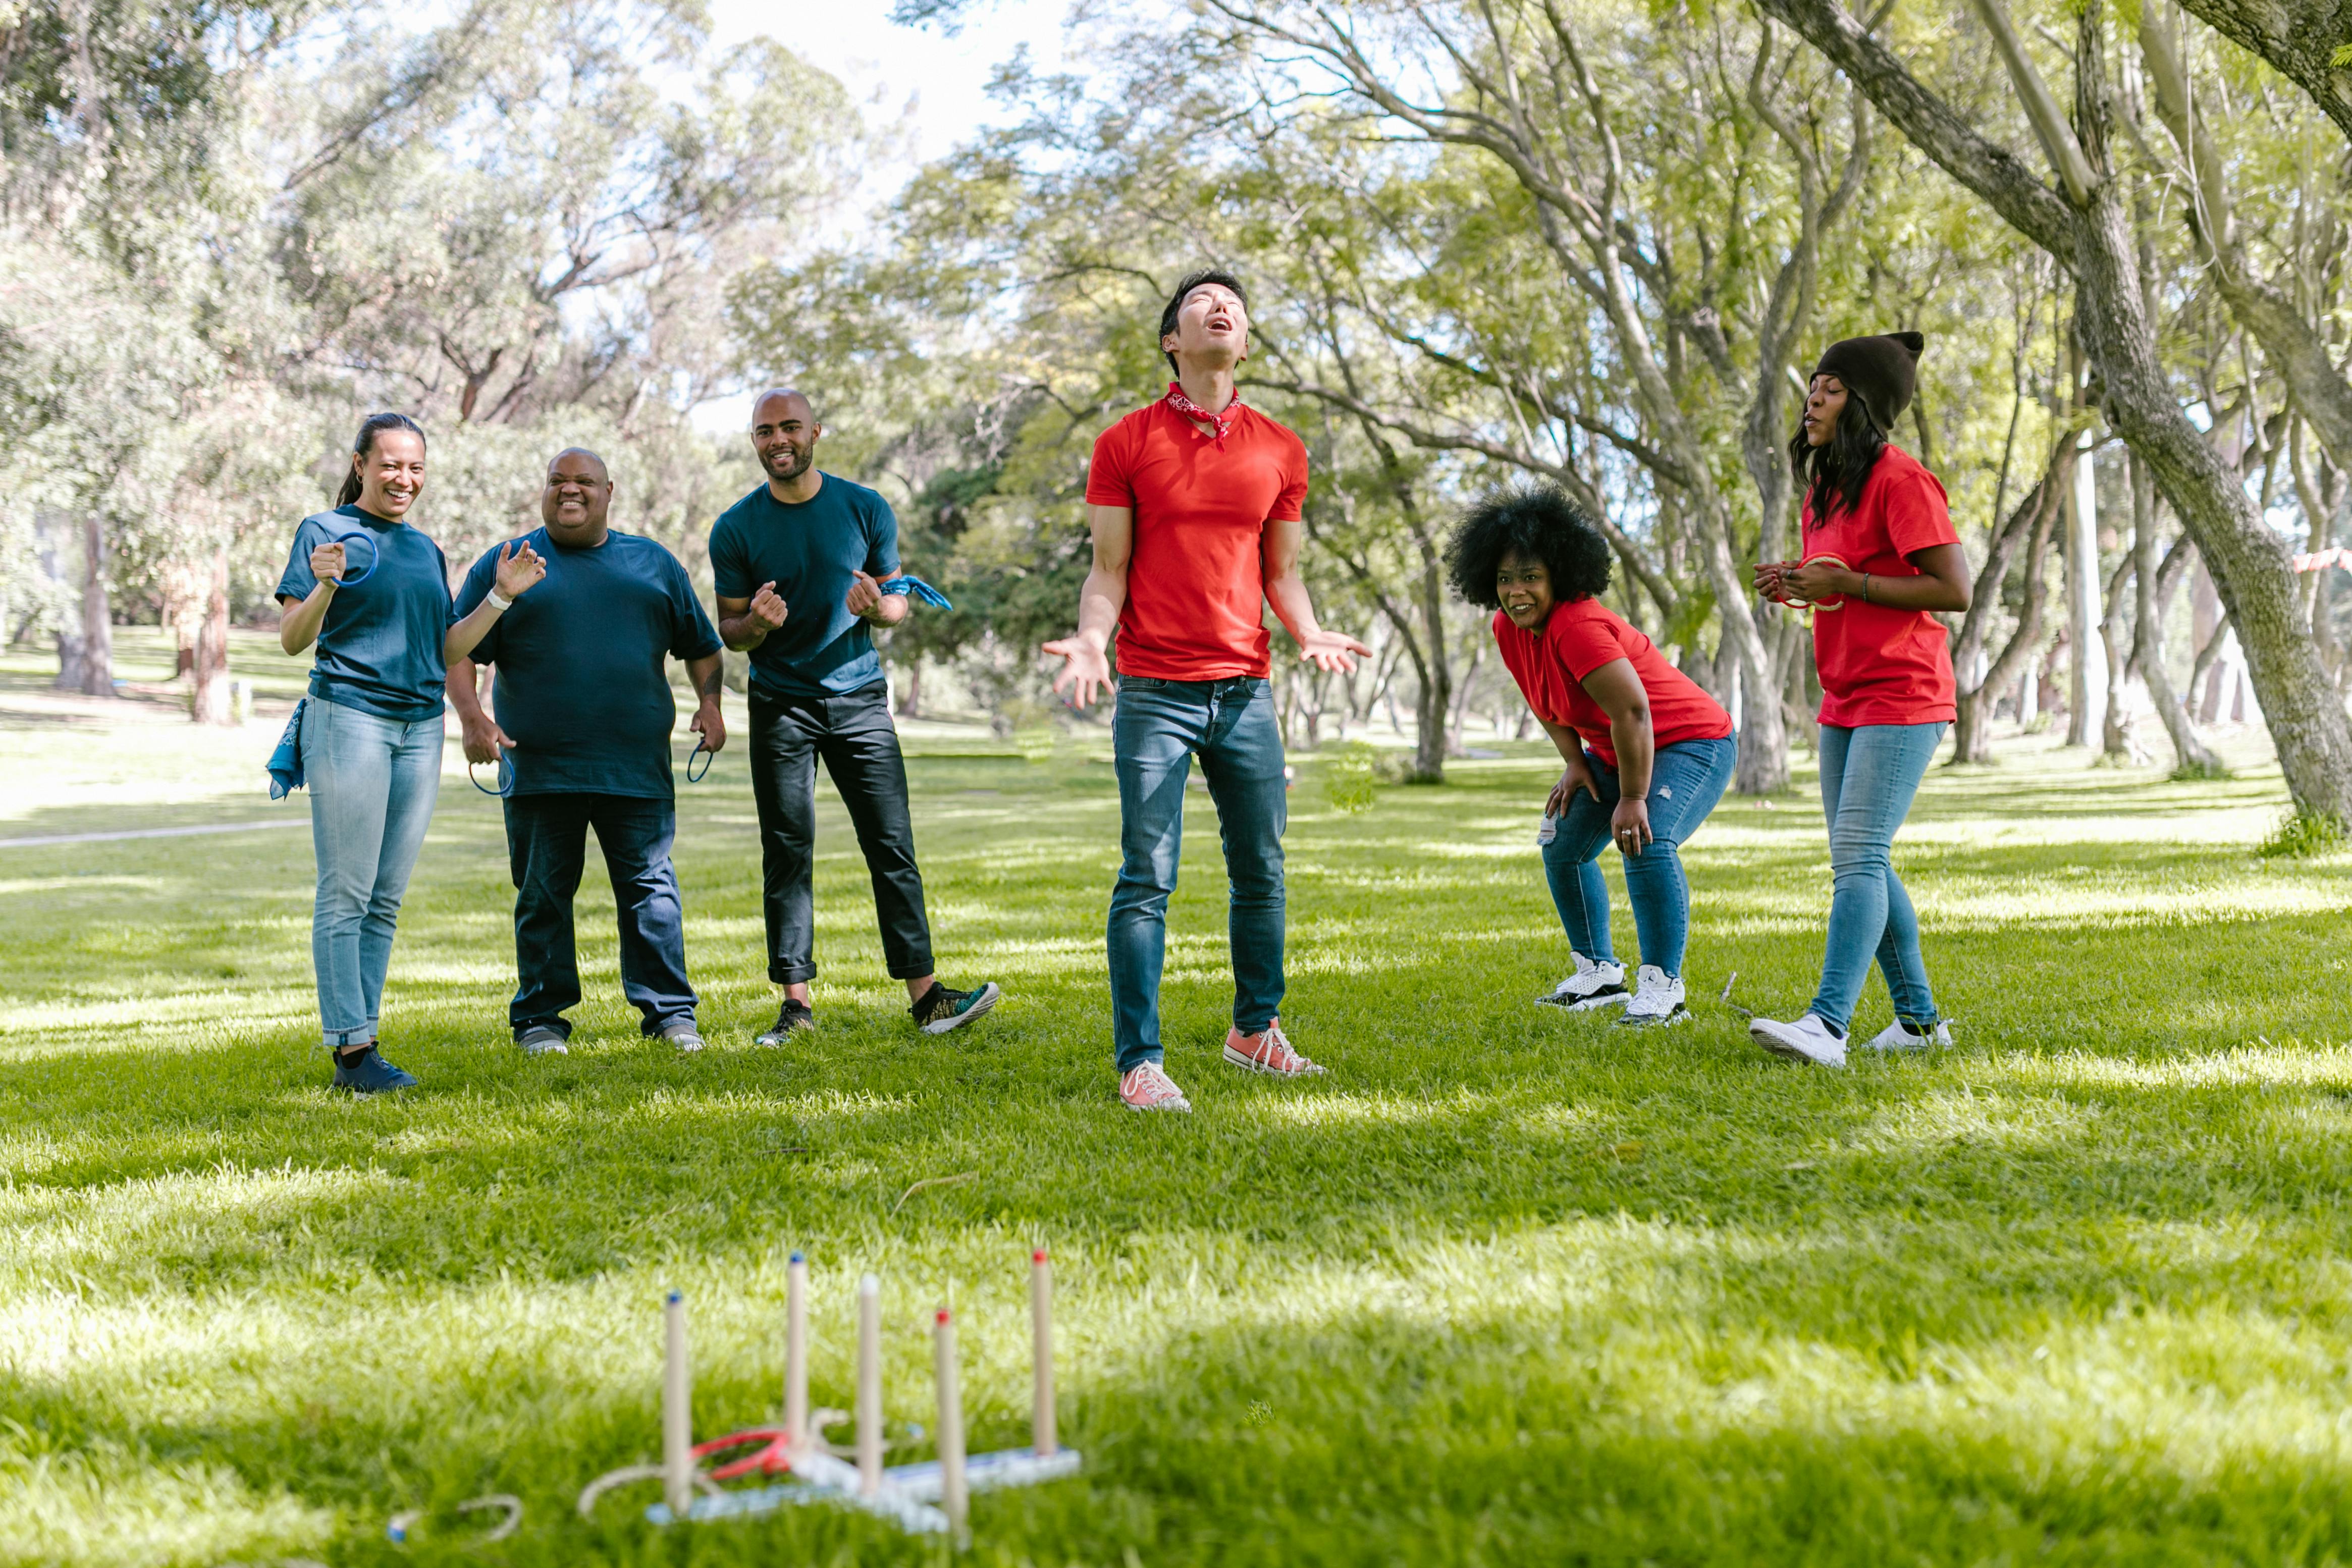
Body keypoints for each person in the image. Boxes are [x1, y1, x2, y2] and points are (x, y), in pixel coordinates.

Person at [1043, 268, 1370, 1113]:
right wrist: (1090, 639)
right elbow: (1107, 569)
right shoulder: (1125, 441)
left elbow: (1283, 573)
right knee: (1147, 873)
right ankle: (1140, 1061)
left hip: (1247, 693)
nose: (1219, 308)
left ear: (1246, 341)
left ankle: (1253, 1029)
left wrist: (1309, 630)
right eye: (1200, 304)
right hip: (1155, 688)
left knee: (1261, 865)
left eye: (1233, 305)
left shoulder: (1280, 448)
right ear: (1172, 341)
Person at [710, 389, 1001, 1042]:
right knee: (787, 850)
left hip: (859, 698)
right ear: (754, 440)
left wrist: (876, 608)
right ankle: (797, 1007)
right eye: (765, 431)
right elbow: (730, 631)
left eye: (790, 427)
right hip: (781, 703)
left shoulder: (864, 507)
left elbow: (897, 605)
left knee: (891, 843)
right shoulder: (735, 527)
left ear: (816, 430)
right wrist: (754, 622)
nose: (778, 439)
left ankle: (928, 999)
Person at [277, 413, 545, 1095]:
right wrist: (327, 585)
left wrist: (502, 597)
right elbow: (291, 639)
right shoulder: (324, 531)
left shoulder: (426, 548)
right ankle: (353, 1051)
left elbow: (446, 648)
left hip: (418, 727)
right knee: (346, 891)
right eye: (391, 464)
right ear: (362, 464)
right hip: (350, 722)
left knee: (385, 897)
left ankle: (361, 1042)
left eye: (416, 466)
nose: (405, 478)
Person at [447, 448, 726, 1056]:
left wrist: (711, 704)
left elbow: (701, 644)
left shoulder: (652, 562)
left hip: (636, 765)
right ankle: (540, 1020)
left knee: (651, 891)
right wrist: (472, 718)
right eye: (557, 481)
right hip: (540, 763)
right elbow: (457, 648)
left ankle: (670, 1016)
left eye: (584, 483)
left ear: (609, 491)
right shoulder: (508, 561)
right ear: (543, 489)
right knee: (542, 894)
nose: (569, 491)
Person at [1748, 331, 1972, 1067]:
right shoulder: (1826, 489)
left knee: (1859, 856)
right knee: (1862, 860)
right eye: (1814, 384)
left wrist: (1846, 584)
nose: (1814, 396)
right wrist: (1800, 581)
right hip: (1844, 694)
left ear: (1866, 404)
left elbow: (1953, 588)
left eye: (1833, 386)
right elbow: (1843, 576)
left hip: (1904, 691)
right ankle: (1918, 1022)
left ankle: (1828, 1024)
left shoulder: (1902, 480)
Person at [1447, 486, 1738, 1026]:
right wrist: (1576, 760)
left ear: (1559, 573)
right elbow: (1544, 700)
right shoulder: (1507, 628)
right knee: (1561, 842)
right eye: (1505, 579)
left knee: (1645, 840)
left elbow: (1632, 711)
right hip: (1612, 746)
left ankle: (1662, 987)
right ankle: (1599, 974)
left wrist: (1631, 797)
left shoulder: (1577, 626)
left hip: (1691, 740)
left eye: (1530, 577)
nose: (1516, 592)